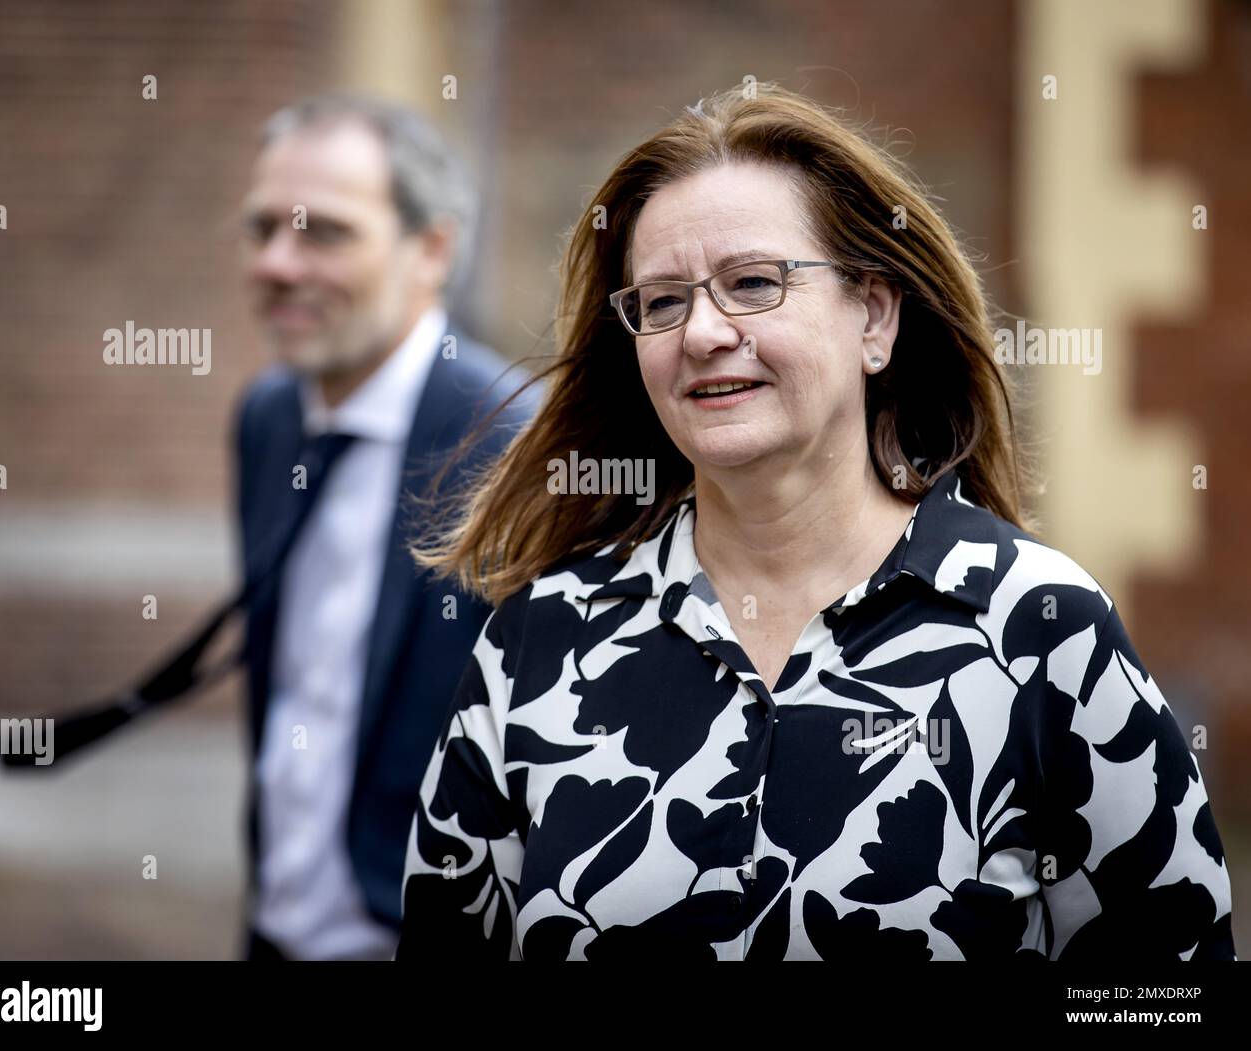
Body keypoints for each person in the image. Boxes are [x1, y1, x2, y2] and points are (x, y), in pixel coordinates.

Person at [394, 83, 1236, 960]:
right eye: (664, 301)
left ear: (874, 314)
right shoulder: (542, 636)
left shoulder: (1039, 629)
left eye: (753, 283)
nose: (704, 331)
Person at [232, 93, 535, 960]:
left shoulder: (514, 443)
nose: (278, 264)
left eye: (322, 232)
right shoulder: (265, 418)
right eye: (260, 231)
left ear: (431, 248)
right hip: (277, 919)